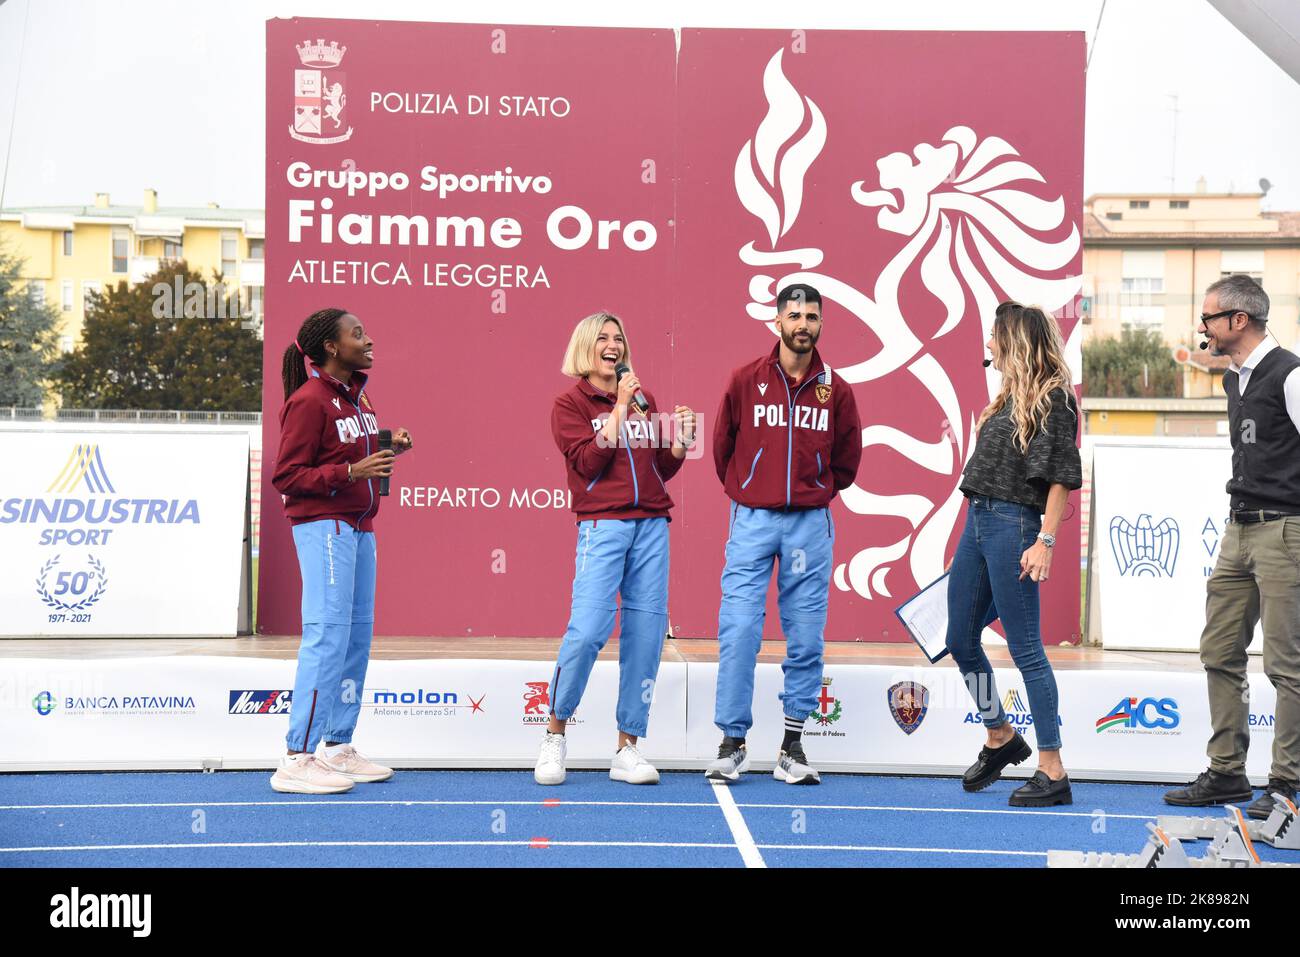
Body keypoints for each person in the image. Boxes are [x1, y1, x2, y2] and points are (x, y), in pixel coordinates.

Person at [707, 283, 862, 785]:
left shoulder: (835, 389)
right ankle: (732, 743)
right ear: (777, 321)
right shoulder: (744, 379)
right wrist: (750, 487)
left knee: (805, 638)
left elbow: (847, 461)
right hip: (752, 520)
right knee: (739, 630)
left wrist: (811, 491)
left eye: (811, 316)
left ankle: (793, 747)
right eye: (793, 315)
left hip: (808, 526)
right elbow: (721, 447)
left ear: (821, 323)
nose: (802, 324)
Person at [535, 311, 696, 785]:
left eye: (619, 338)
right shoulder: (570, 404)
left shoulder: (645, 400)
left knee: (646, 639)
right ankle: (555, 733)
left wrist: (681, 444)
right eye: (603, 338)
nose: (613, 344)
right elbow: (588, 462)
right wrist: (620, 409)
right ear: (585, 347)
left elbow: (657, 471)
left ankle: (628, 746)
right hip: (603, 525)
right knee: (586, 631)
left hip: (652, 525)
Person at [1165, 275, 1300, 817]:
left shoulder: (1290, 374)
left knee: (1287, 665)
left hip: (1285, 528)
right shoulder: (1233, 378)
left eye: (1209, 318)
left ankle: (1287, 785)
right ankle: (1227, 772)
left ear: (1237, 321)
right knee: (1219, 651)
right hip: (1238, 528)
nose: (1204, 328)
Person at [269, 307, 413, 794]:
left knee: (355, 639)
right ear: (331, 347)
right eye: (358, 334)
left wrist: (390, 444)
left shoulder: (358, 397)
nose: (368, 339)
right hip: (323, 526)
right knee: (328, 636)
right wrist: (350, 475)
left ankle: (336, 745)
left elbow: (348, 453)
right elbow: (287, 477)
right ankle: (296, 757)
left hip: (359, 525)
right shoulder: (309, 400)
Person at [945, 301, 1081, 807]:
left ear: (1016, 342)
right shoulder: (1006, 400)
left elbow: (1063, 477)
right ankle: (1000, 735)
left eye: (994, 337)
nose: (987, 345)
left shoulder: (1055, 399)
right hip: (977, 521)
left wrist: (1044, 542)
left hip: (1015, 525)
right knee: (960, 638)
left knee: (1026, 650)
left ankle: (1052, 768)